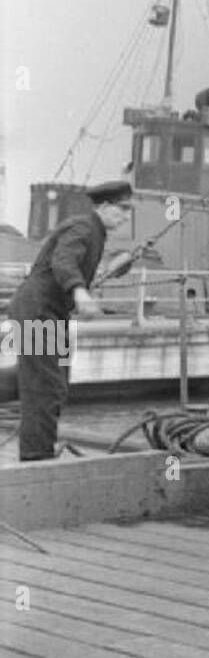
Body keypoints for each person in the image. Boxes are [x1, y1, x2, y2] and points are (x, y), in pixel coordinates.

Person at [8, 180, 134, 460]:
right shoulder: (83, 227)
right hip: (37, 312)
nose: (126, 216)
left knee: (54, 382)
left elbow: (76, 263)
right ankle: (36, 457)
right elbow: (63, 261)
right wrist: (79, 292)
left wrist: (116, 266)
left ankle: (40, 448)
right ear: (104, 206)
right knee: (44, 386)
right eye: (123, 209)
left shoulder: (95, 233)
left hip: (53, 315)